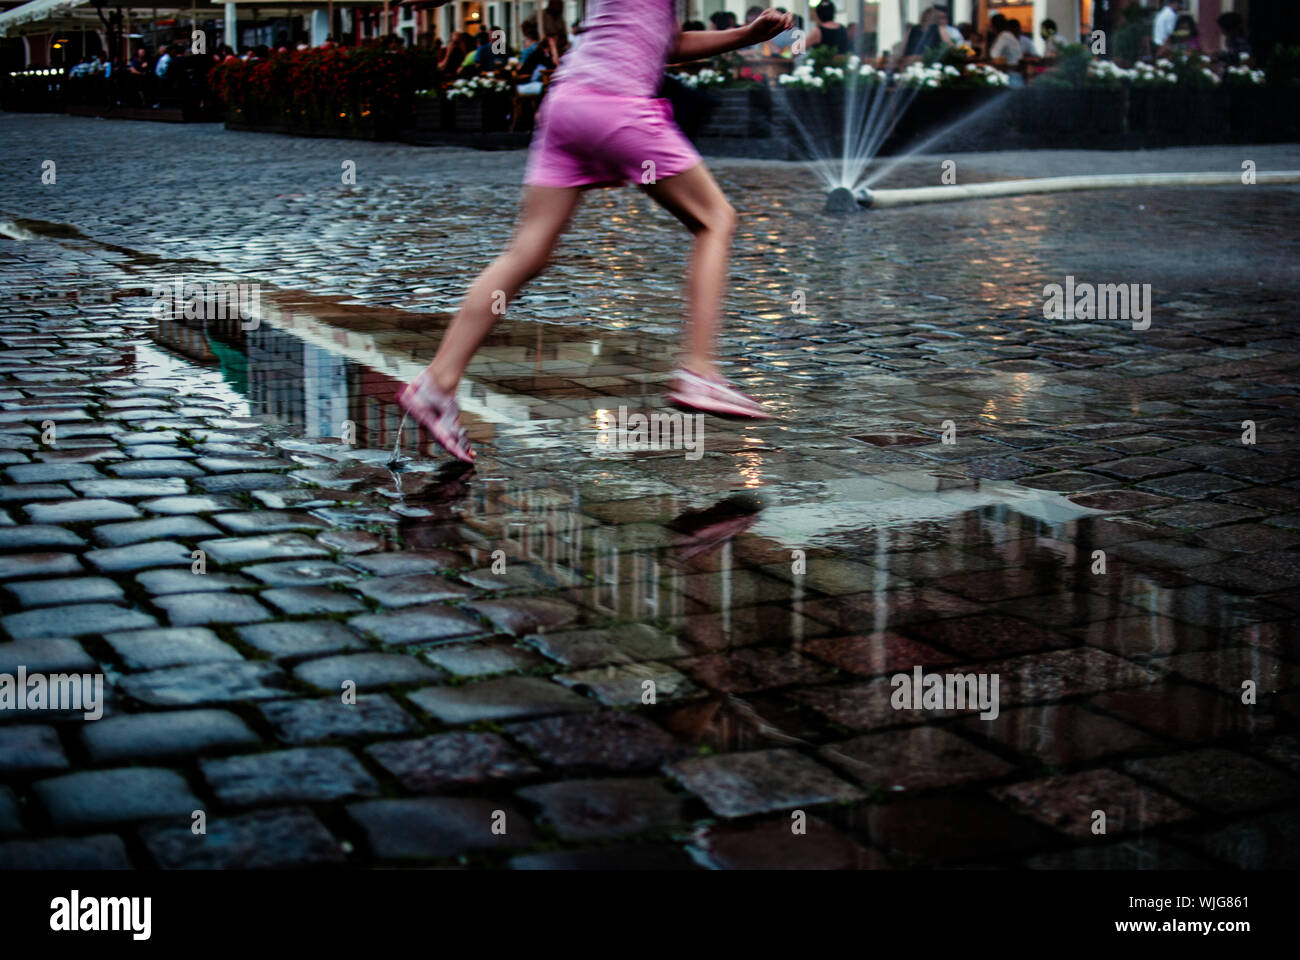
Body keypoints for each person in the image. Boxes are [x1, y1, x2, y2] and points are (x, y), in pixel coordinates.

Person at [398, 1, 793, 462]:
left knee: (527, 252)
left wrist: (745, 36)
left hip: (567, 105)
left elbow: (657, 44)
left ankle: (438, 382)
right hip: (615, 104)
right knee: (715, 219)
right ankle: (700, 368)